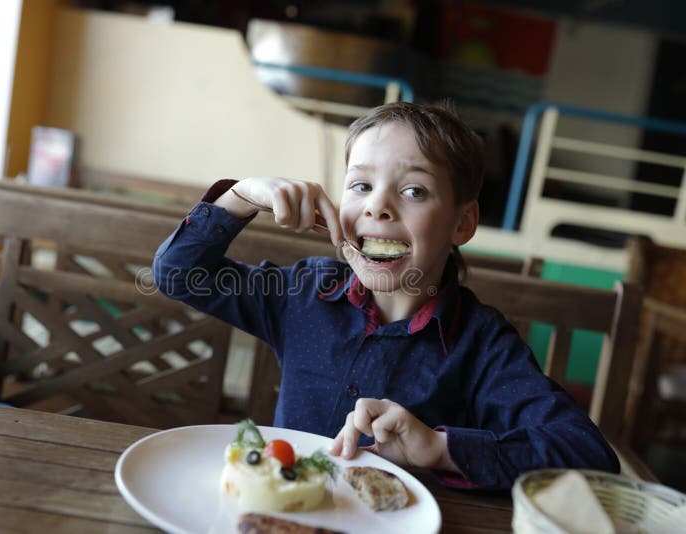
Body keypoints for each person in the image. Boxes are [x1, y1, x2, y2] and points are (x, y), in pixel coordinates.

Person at [152, 102, 619, 489]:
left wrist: (438, 449)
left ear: (462, 223)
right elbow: (178, 274)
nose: (378, 205)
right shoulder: (304, 293)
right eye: (361, 185)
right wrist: (240, 196)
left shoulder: (482, 344)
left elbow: (588, 455)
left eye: (414, 190)